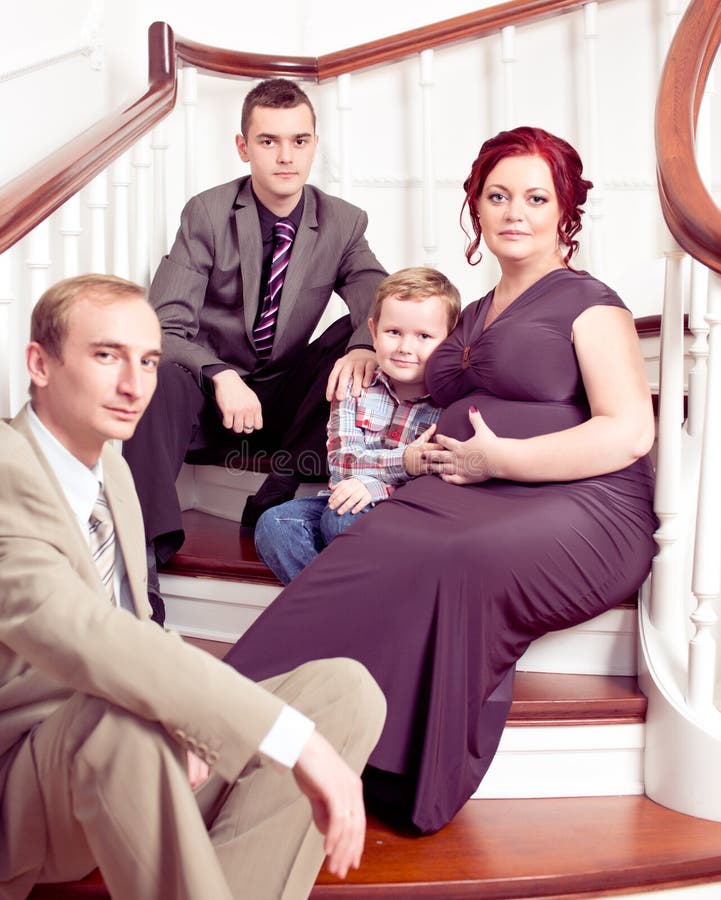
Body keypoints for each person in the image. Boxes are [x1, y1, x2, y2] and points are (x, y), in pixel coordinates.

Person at [223, 126, 658, 834]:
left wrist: (500, 461)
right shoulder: (476, 311)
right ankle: (226, 722)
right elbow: (411, 353)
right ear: (476, 207)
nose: (514, 212)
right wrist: (405, 420)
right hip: (462, 491)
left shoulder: (591, 303)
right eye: (497, 195)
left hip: (582, 505)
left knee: (449, 559)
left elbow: (628, 432)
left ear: (564, 209)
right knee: (367, 550)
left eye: (535, 197)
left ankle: (387, 768)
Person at [0, 274, 386, 899]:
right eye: (106, 356)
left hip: (118, 758)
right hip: (27, 785)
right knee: (127, 721)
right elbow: (81, 631)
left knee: (345, 690)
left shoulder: (111, 472)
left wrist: (181, 717)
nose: (134, 386)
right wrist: (281, 737)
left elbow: (136, 627)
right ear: (39, 364)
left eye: (148, 361)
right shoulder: (6, 471)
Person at [121, 77, 387, 622]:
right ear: (243, 147)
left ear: (315, 144)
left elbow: (381, 300)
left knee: (356, 340)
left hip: (284, 402)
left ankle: (280, 485)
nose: (286, 156)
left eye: (299, 140)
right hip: (208, 400)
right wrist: (219, 374)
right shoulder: (206, 213)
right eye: (268, 141)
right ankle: (142, 562)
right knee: (157, 377)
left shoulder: (343, 222)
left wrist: (363, 343)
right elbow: (162, 326)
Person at [255, 267, 461, 584]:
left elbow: (436, 477)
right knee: (275, 523)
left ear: (448, 342)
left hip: (407, 513)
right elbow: (342, 464)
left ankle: (352, 609)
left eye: (423, 336)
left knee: (341, 520)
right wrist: (406, 461)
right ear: (373, 331)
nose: (406, 346)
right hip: (343, 498)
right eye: (394, 332)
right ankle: (341, 617)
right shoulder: (356, 386)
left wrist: (376, 485)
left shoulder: (450, 401)